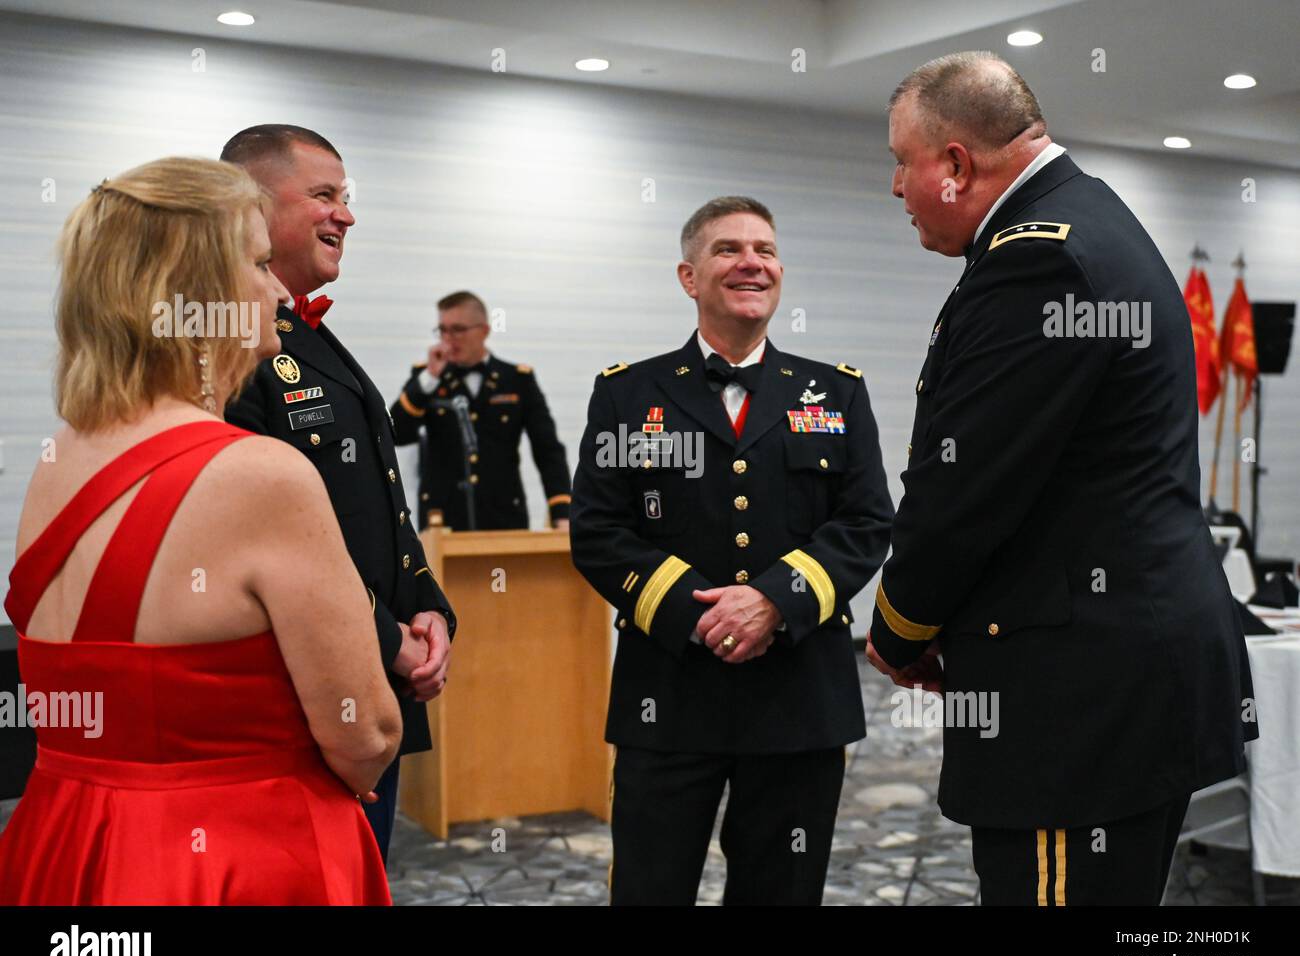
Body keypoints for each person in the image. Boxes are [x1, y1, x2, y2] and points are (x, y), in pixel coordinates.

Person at [868, 52, 1258, 905]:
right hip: (1120, 669)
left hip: (1074, 694)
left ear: (957, 162)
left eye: (903, 162)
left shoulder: (1036, 260)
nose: (896, 186)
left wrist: (897, 628)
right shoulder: (1085, 219)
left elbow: (965, 492)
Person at [0, 157, 398, 904]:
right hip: (230, 858)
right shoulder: (262, 475)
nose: (279, 291)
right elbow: (368, 733)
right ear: (199, 295)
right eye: (259, 264)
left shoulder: (59, 458)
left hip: (67, 840)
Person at [570, 196, 894, 905]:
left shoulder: (836, 392)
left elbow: (867, 521)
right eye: (729, 249)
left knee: (782, 891)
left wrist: (773, 601)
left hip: (798, 698)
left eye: (765, 250)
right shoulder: (628, 394)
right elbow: (597, 531)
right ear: (689, 277)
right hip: (669, 695)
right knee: (650, 890)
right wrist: (703, 614)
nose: (753, 262)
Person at [221, 125, 455, 862]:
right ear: (252, 205)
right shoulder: (230, 345)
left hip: (376, 672)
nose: (346, 215)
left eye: (345, 197)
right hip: (305, 696)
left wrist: (427, 605)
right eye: (323, 195)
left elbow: (378, 498)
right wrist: (389, 639)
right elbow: (264, 540)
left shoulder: (306, 332)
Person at [390, 291, 572, 531]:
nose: (448, 339)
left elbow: (548, 450)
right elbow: (397, 433)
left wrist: (562, 512)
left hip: (503, 518)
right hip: (443, 520)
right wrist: (430, 377)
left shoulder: (517, 379)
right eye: (442, 330)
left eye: (458, 329)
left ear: (484, 331)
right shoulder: (427, 378)